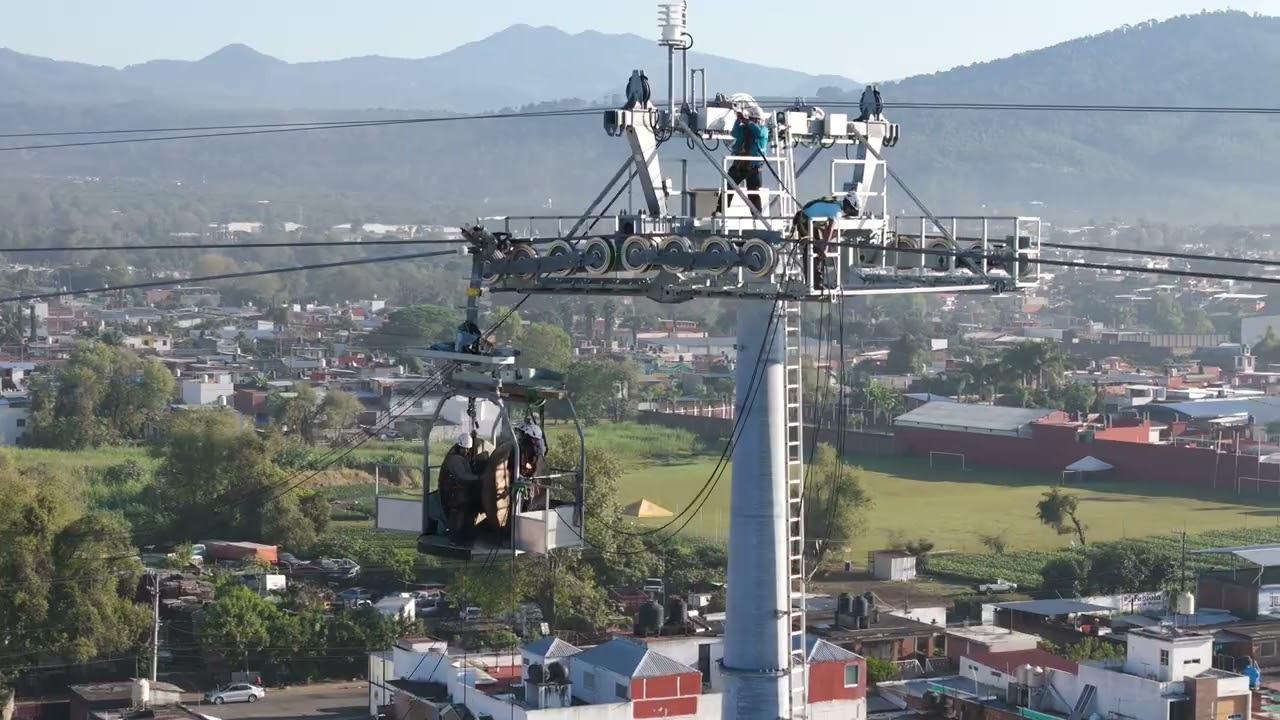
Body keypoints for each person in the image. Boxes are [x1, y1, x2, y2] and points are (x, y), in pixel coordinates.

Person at [722, 108, 769, 214]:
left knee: (753, 193)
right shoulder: (744, 130)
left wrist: (748, 122)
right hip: (740, 165)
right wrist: (739, 120)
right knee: (729, 186)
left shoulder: (763, 130)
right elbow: (734, 133)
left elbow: (760, 133)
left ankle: (757, 215)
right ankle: (721, 210)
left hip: (753, 166)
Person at [440, 432, 481, 544]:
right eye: (465, 449)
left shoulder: (460, 458)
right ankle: (455, 538)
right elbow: (463, 476)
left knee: (465, 513)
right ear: (459, 447)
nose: (467, 451)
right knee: (459, 514)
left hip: (461, 493)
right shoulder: (455, 460)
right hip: (455, 494)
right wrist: (479, 477)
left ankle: (464, 536)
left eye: (468, 449)